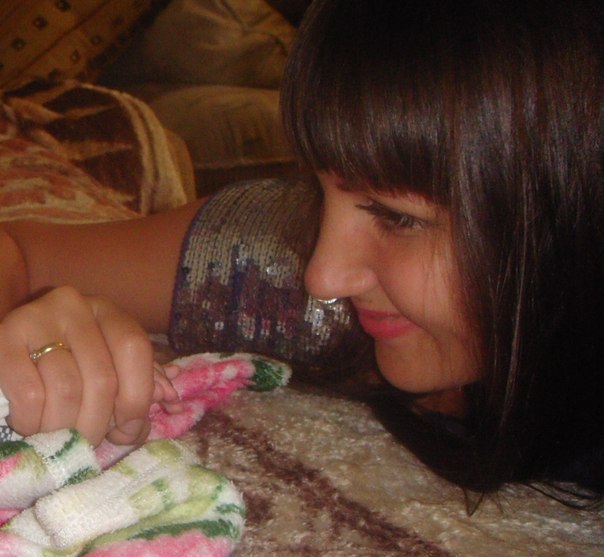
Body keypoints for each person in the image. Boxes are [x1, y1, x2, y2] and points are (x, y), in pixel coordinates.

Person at [0, 0, 601, 507]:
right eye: (318, 187)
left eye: (398, 217)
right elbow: (17, 251)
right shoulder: (278, 249)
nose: (321, 277)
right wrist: (46, 329)